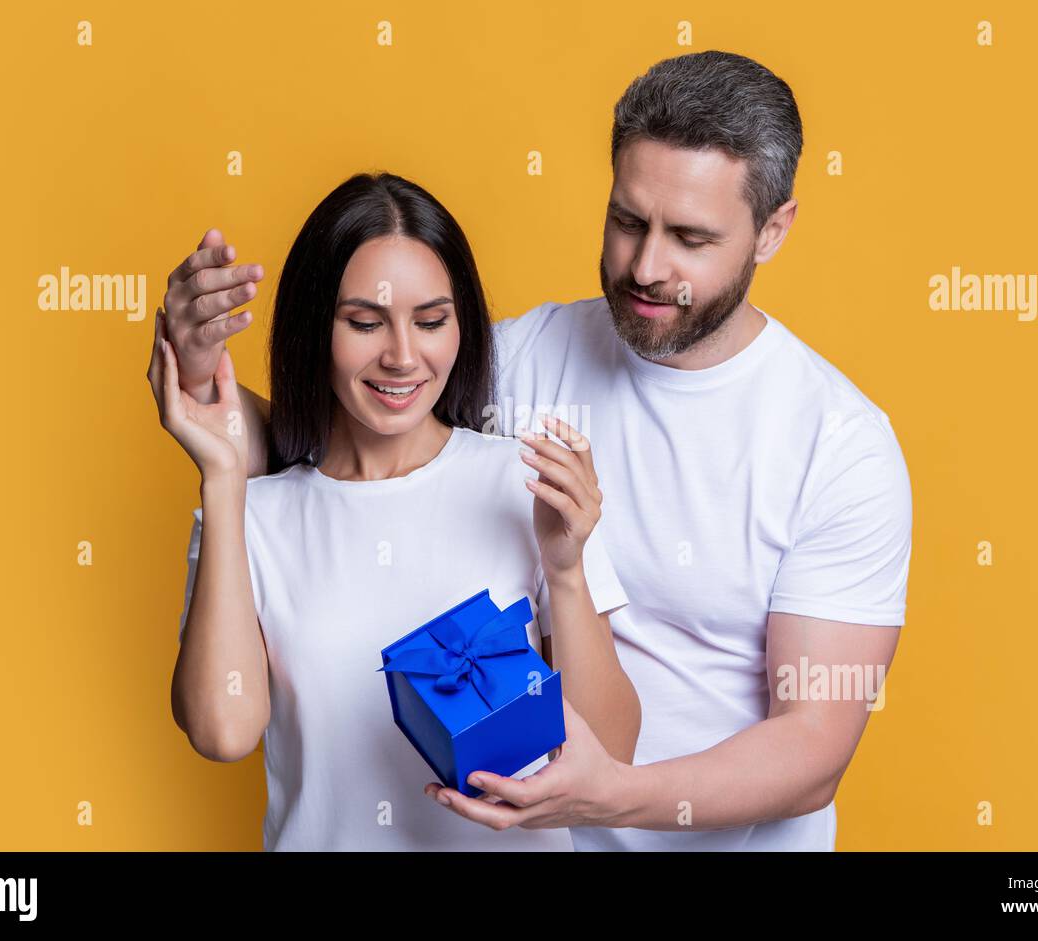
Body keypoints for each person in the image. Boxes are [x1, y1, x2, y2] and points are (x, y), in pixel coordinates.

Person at [159, 50, 913, 852]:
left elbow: (813, 751)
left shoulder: (839, 446)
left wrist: (610, 795)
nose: (647, 266)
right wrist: (196, 368)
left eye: (690, 237)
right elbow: (356, 450)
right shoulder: (519, 364)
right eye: (628, 221)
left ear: (772, 231)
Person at [148, 172, 638, 851]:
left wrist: (568, 570)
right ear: (315, 327)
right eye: (365, 322)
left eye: (431, 321)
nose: (404, 356)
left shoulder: (520, 480)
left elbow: (609, 752)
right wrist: (222, 477)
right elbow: (223, 730)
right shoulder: (250, 513)